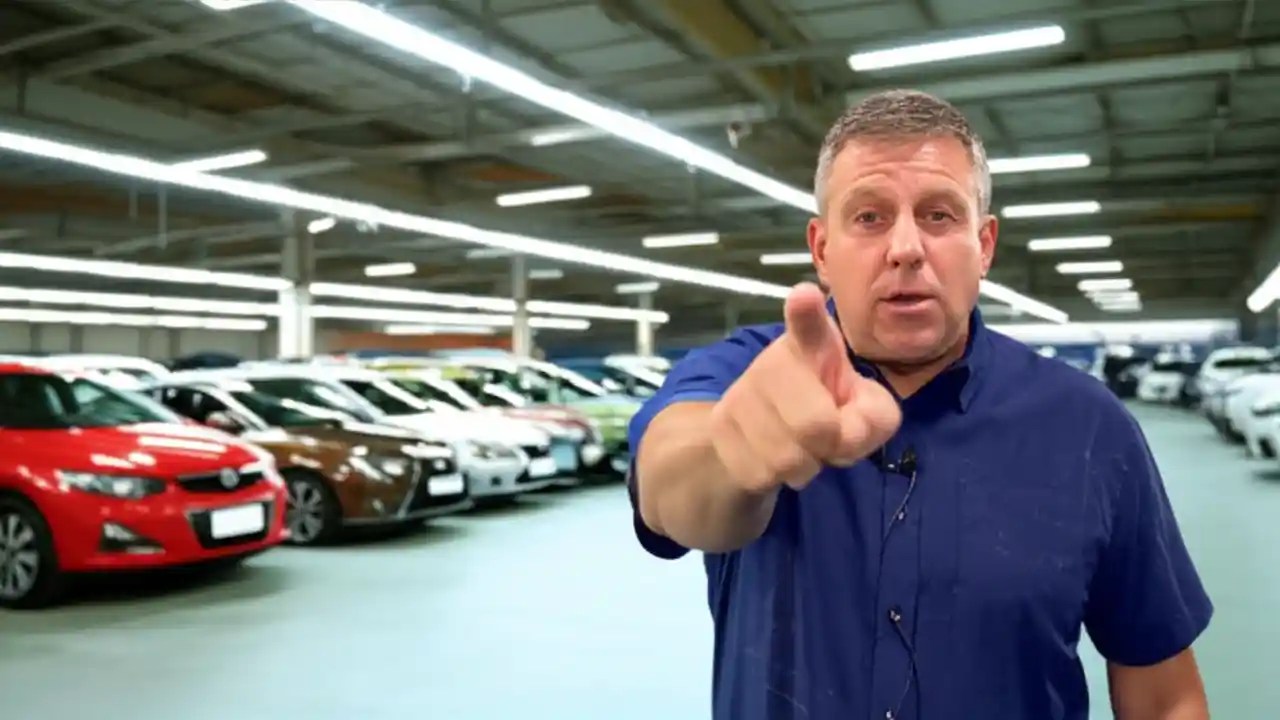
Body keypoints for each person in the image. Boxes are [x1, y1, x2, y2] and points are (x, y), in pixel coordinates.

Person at [626, 90, 1212, 720]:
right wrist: (731, 457)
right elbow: (670, 483)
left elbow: (1162, 693)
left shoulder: (1090, 428)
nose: (905, 247)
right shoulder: (742, 376)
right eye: (870, 218)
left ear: (983, 245)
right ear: (822, 250)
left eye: (938, 216)